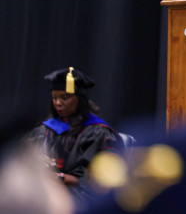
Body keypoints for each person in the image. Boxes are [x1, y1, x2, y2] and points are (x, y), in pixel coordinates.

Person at [25, 67, 118, 207]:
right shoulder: (45, 130)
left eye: (65, 97)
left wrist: (60, 178)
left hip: (80, 200)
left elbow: (102, 183)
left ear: (79, 99)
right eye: (54, 97)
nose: (58, 103)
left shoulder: (98, 132)